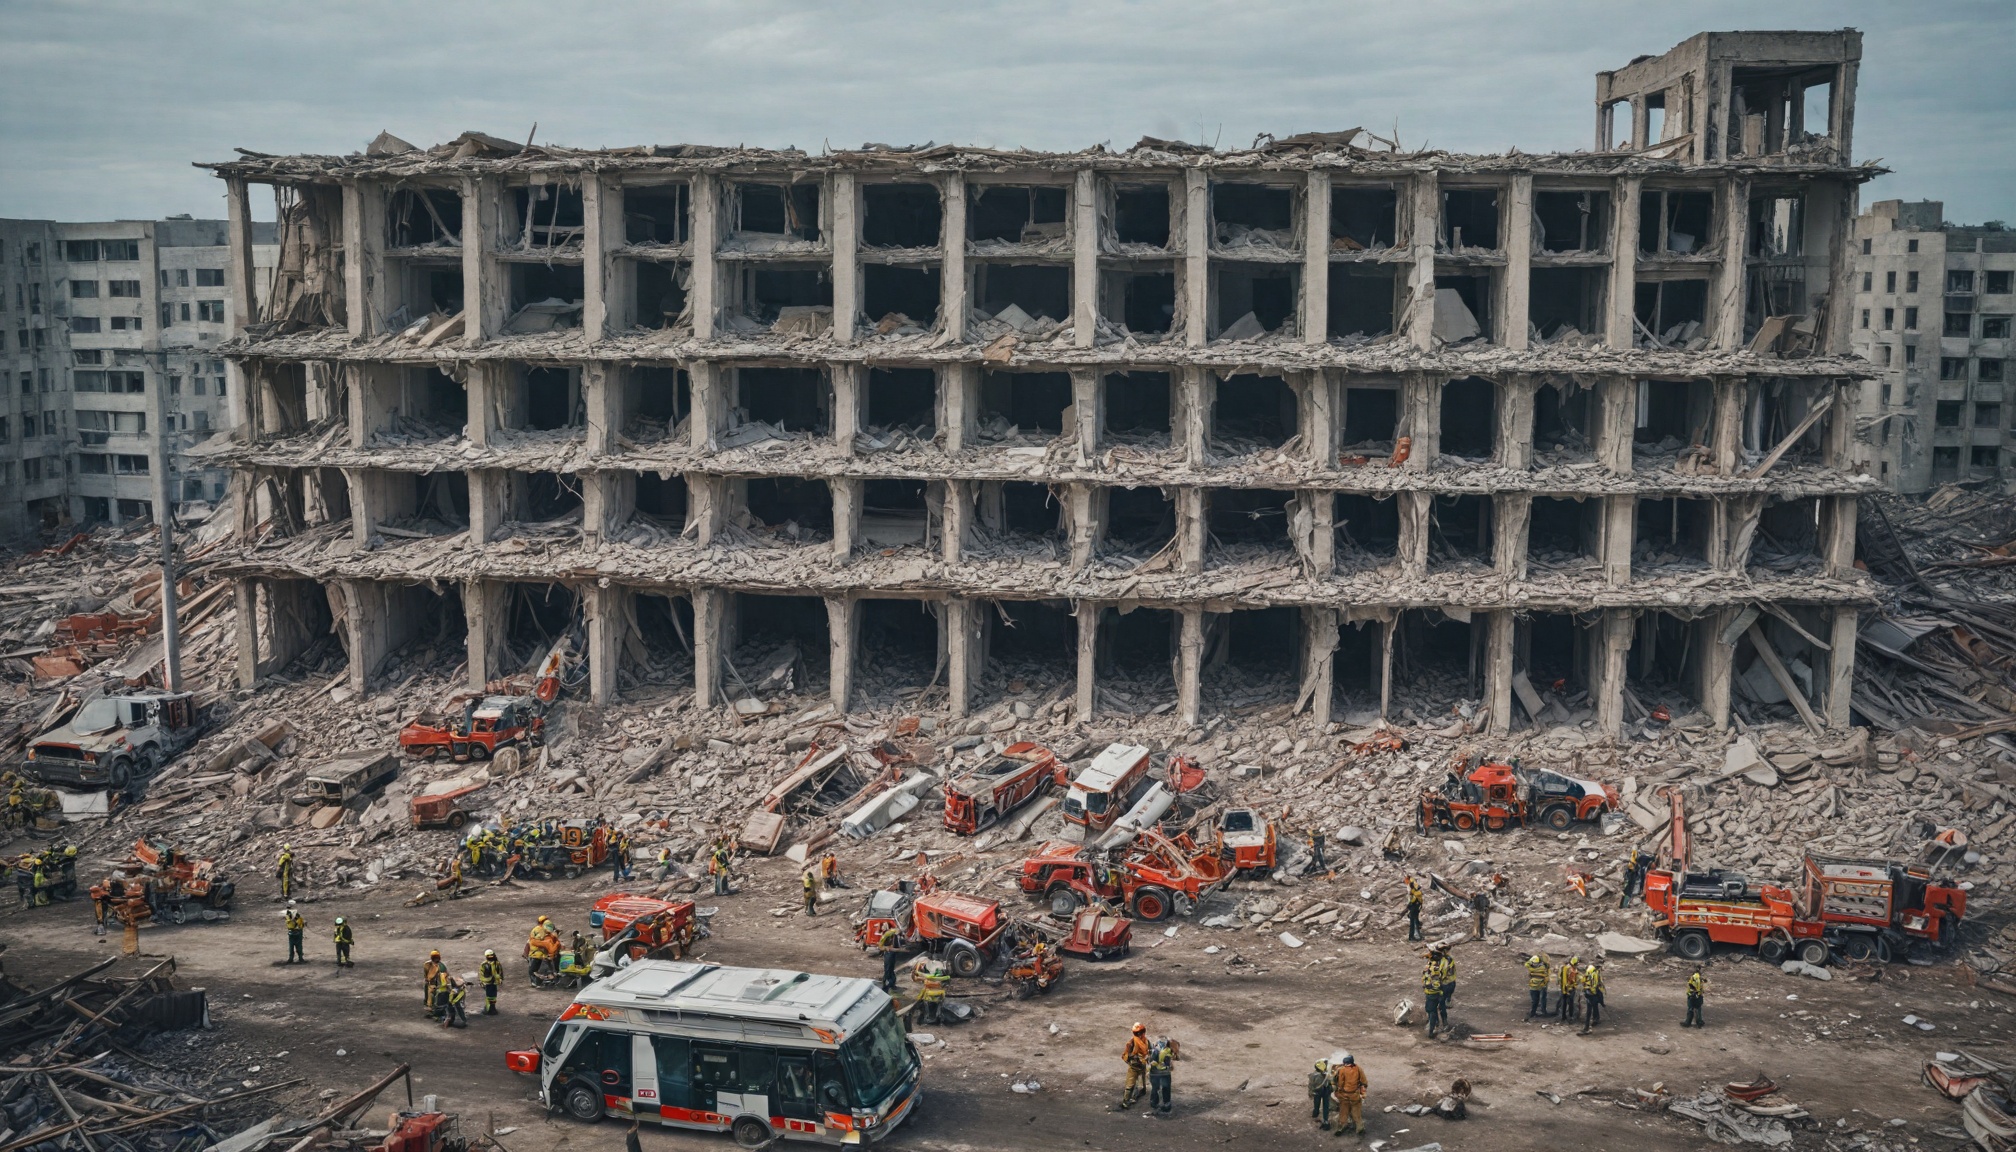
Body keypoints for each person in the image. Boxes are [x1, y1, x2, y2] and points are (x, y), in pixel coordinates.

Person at [1332, 1051, 1368, 1138]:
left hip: (1347, 1095)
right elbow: (1364, 1082)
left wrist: (1336, 1091)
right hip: (1351, 1095)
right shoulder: (1358, 1069)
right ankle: (1356, 1128)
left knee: (1348, 1112)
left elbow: (1334, 1081)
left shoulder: (1342, 1069)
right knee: (1350, 1112)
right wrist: (1363, 1094)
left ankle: (1345, 1127)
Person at [1120, 1023, 1150, 1110]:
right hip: (1134, 1067)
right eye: (1137, 1033)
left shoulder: (1146, 1041)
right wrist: (1134, 1059)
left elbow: (1149, 1050)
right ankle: (1125, 1102)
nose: (1139, 1035)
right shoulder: (1131, 1043)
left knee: (1140, 1085)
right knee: (1130, 1085)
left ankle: (1134, 1097)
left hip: (1142, 1066)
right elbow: (1126, 1056)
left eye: (1140, 1033)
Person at [1146, 1035, 1178, 1118]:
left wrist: (1149, 1070)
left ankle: (1159, 1105)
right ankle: (1161, 1105)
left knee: (1160, 1089)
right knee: (1161, 1089)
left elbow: (1152, 1061)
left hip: (1159, 1073)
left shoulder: (1160, 1050)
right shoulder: (1164, 1050)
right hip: (1162, 1072)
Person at [916, 961, 948, 1025]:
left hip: (932, 993)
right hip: (937, 992)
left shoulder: (930, 976)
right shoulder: (940, 976)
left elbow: (919, 977)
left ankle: (928, 1017)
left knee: (925, 1002)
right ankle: (936, 1016)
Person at [1421, 956, 1446, 1038]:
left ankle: (1431, 1031)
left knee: (1431, 1011)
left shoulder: (1433, 969)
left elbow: (1436, 983)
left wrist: (1427, 986)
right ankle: (1436, 1024)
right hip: (1434, 993)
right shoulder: (1435, 968)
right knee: (1431, 1010)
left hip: (1433, 994)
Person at [1308, 1059, 1334, 1130]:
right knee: (1326, 1106)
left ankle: (1315, 1113)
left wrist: (1310, 1093)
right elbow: (1331, 1083)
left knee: (1316, 1103)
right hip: (1326, 1092)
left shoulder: (1313, 1075)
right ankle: (1325, 1121)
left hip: (1317, 1092)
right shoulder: (1327, 1075)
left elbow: (1310, 1085)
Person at [1579, 961, 1604, 1034]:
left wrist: (1590, 992)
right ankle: (1596, 1019)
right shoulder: (1595, 973)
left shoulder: (1591, 974)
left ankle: (1587, 1027)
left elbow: (1591, 985)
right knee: (1594, 1006)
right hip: (1593, 993)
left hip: (1591, 994)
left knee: (1589, 1010)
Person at [1557, 954, 1580, 1022]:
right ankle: (1568, 1016)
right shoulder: (1569, 969)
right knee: (1569, 1003)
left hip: (1567, 988)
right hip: (1568, 989)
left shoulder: (1568, 968)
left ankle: (1565, 1016)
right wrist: (1567, 989)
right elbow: (1566, 980)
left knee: (1566, 1003)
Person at [879, 925, 902, 993]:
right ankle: (885, 986)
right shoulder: (889, 934)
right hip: (889, 953)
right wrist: (886, 948)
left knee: (891, 968)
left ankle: (891, 984)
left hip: (893, 953)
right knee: (888, 969)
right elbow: (880, 945)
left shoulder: (895, 935)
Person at [480, 950, 503, 1015]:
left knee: (491, 996)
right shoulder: (487, 964)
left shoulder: (495, 963)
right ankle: (491, 1009)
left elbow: (500, 971)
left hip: (492, 982)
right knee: (491, 995)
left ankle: (489, 1009)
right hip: (489, 982)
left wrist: (500, 979)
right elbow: (481, 974)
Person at [1404, 877, 1424, 941]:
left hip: (1414, 907)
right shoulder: (1416, 892)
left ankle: (1414, 936)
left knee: (1414, 922)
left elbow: (1413, 900)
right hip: (1415, 907)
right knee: (1413, 922)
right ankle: (1412, 937)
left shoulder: (1415, 892)